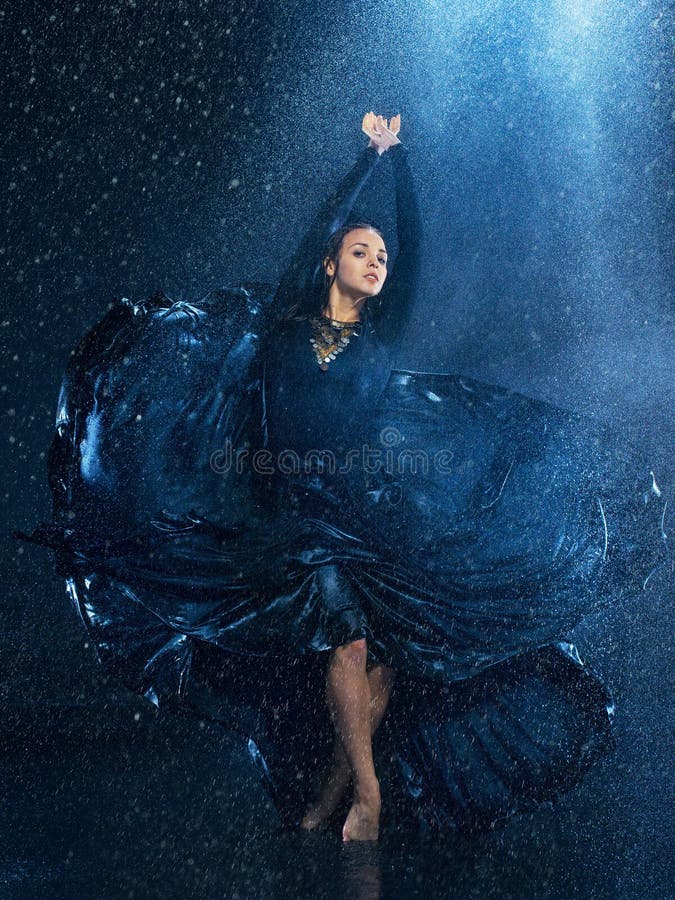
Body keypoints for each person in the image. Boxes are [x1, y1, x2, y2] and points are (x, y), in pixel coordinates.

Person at [18, 112, 667, 844]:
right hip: (277, 513)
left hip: (352, 512)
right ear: (330, 263)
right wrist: (370, 159)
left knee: (390, 659)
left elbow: (415, 252)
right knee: (351, 644)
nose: (376, 262)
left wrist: (406, 170)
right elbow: (316, 234)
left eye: (379, 256)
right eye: (361, 251)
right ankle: (366, 799)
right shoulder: (288, 327)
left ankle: (326, 809)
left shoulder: (376, 338)